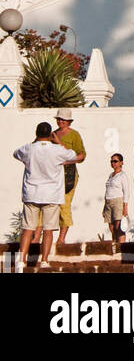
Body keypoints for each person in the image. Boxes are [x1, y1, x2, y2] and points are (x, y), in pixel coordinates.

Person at [13, 123, 83, 271]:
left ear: (36, 133)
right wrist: (57, 141)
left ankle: (21, 261)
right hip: (51, 194)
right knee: (48, 230)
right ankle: (44, 260)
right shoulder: (57, 150)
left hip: (32, 193)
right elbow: (72, 154)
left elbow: (16, 153)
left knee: (27, 229)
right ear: (51, 134)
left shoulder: (29, 149)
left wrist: (34, 142)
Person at [51, 109, 86, 249]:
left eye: (63, 120)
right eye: (59, 119)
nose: (60, 122)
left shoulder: (74, 135)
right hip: (53, 172)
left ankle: (62, 238)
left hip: (68, 172)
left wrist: (59, 143)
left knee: (65, 204)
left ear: (69, 122)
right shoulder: (53, 133)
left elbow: (81, 155)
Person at [103, 152, 130, 242]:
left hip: (118, 201)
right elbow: (107, 190)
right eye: (111, 161)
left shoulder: (122, 175)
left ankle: (121, 246)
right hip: (108, 202)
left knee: (119, 226)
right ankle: (114, 244)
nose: (113, 163)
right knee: (111, 226)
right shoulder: (111, 175)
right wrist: (104, 207)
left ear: (121, 162)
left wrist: (125, 206)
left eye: (115, 161)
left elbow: (126, 191)